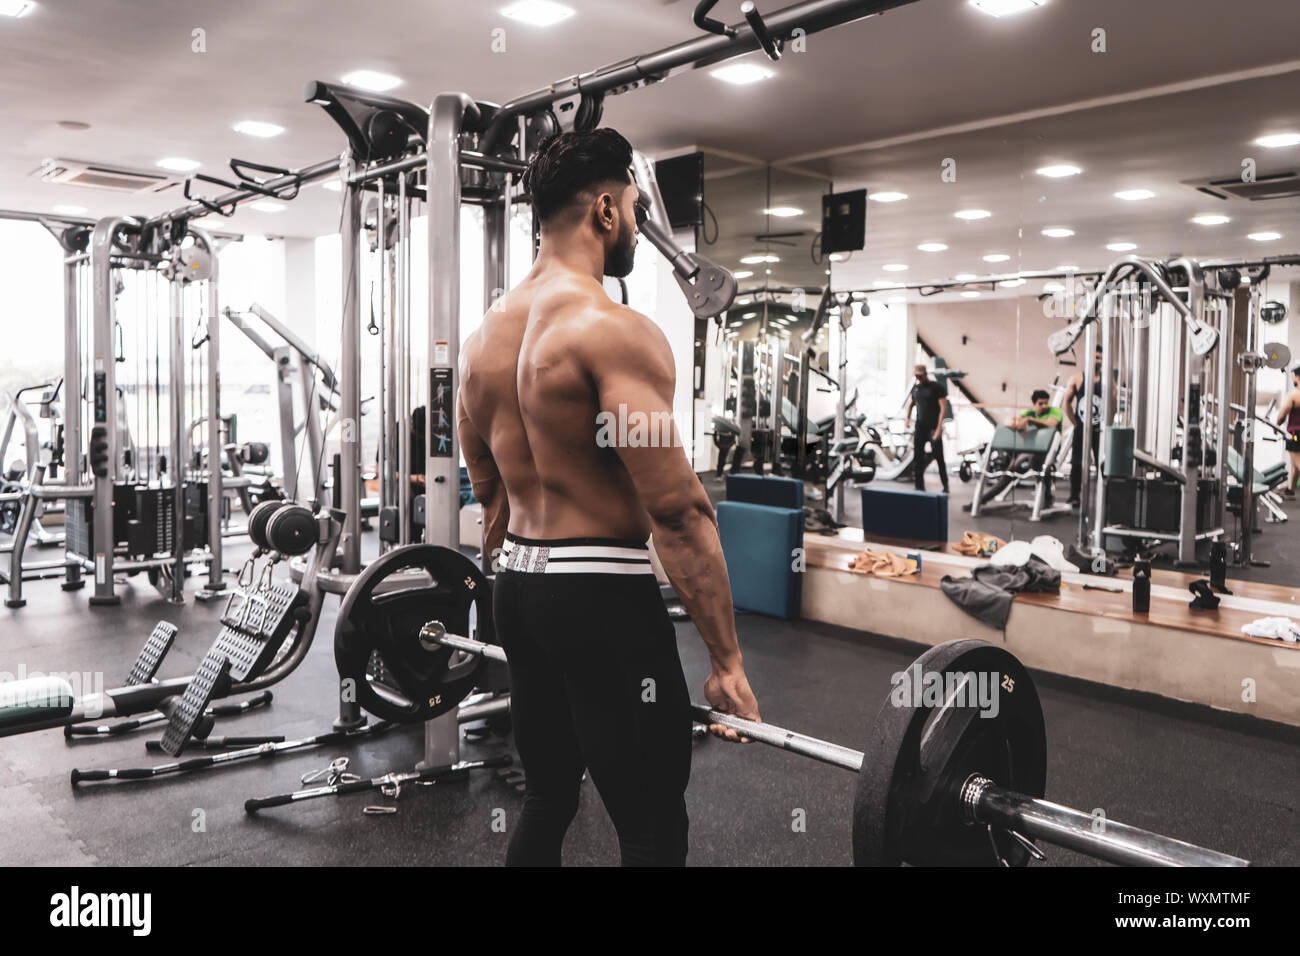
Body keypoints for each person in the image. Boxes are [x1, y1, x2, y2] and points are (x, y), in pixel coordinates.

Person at [457, 128, 759, 867]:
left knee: (549, 795)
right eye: (630, 207)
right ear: (604, 210)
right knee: (651, 822)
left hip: (517, 594)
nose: (633, 227)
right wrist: (726, 662)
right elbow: (678, 511)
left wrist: (520, 532)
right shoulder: (613, 332)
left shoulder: (484, 339)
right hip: (601, 601)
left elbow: (484, 479)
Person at [1062, 346, 1104, 507]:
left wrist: (1106, 422)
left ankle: (1103, 496)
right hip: (1081, 427)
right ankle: (1074, 496)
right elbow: (1066, 401)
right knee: (1077, 462)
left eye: (1099, 357)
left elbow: (1113, 403)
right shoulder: (1078, 378)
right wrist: (1074, 422)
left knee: (1102, 462)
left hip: (1098, 428)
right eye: (1095, 357)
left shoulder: (1106, 381)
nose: (1097, 360)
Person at [903, 364, 949, 493]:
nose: (918, 377)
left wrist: (939, 428)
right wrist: (907, 418)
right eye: (916, 375)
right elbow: (911, 404)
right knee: (918, 458)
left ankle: (945, 486)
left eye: (920, 375)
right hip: (920, 427)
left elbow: (943, 409)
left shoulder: (937, 388)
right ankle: (919, 486)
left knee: (939, 457)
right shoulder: (916, 388)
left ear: (925, 374)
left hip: (934, 427)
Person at [1276, 364, 1300, 499]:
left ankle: (1290, 489)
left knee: (1298, 462)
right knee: (1295, 464)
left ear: (1297, 376)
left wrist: (1277, 424)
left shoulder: (1293, 395)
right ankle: (1290, 489)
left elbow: (1283, 413)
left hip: (1295, 434)